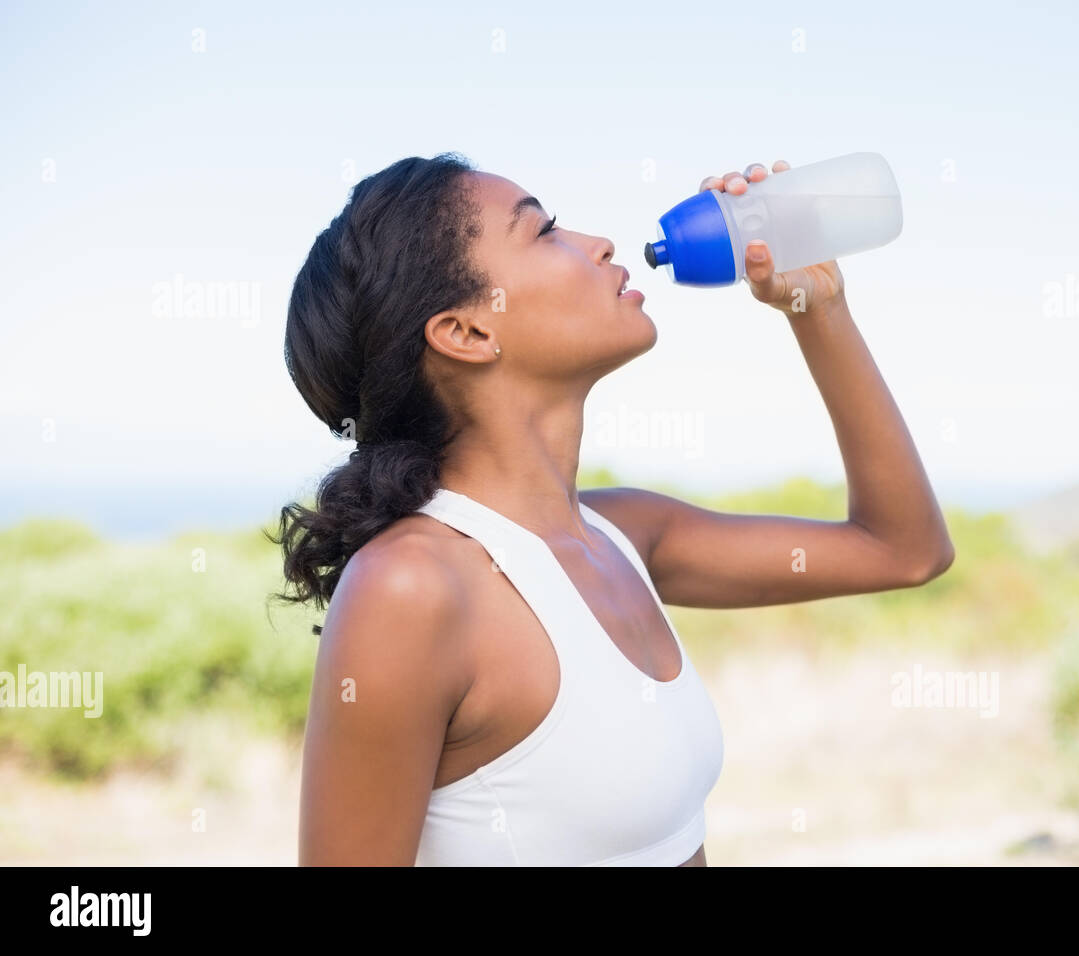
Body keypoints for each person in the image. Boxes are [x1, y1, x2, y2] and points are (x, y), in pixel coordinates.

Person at [272, 152, 954, 866]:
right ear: (467, 332)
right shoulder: (410, 588)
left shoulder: (622, 534)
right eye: (544, 231)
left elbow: (904, 549)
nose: (600, 244)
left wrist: (818, 307)